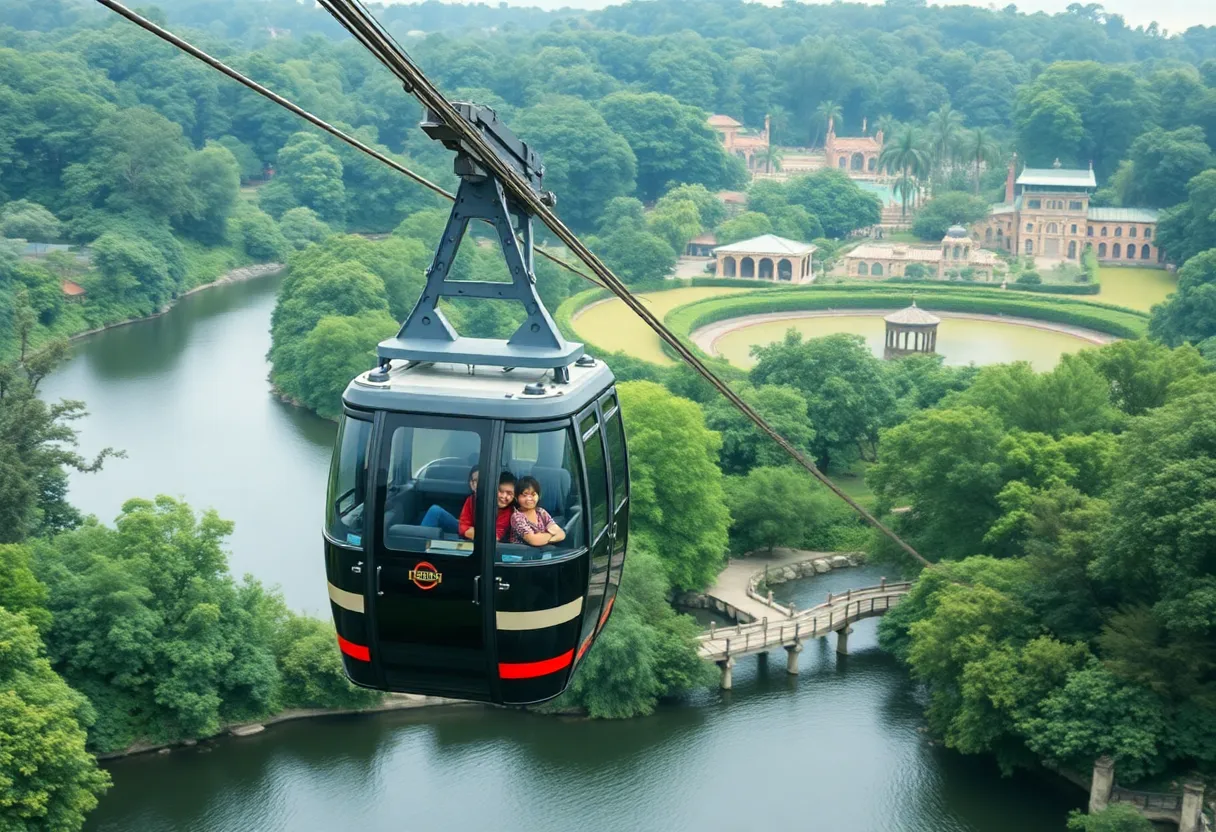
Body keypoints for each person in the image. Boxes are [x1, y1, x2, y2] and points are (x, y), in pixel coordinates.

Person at [509, 476, 566, 547]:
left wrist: (544, 538)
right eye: (524, 495)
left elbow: (561, 534)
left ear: (539, 496)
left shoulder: (541, 512)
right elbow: (534, 540)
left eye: (533, 494)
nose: (529, 498)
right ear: (516, 498)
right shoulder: (517, 516)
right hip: (521, 554)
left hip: (541, 553)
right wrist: (552, 535)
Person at [419, 466, 475, 535]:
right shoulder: (471, 500)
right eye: (475, 480)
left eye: (482, 480)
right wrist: (467, 530)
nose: (478, 483)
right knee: (435, 511)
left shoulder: (491, 500)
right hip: (470, 532)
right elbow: (464, 523)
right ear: (472, 484)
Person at [461, 471, 516, 541]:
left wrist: (471, 531)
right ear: (492, 489)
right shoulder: (472, 500)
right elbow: (463, 526)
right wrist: (467, 531)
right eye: (500, 491)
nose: (503, 496)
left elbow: (494, 538)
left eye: (509, 493)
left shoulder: (510, 512)